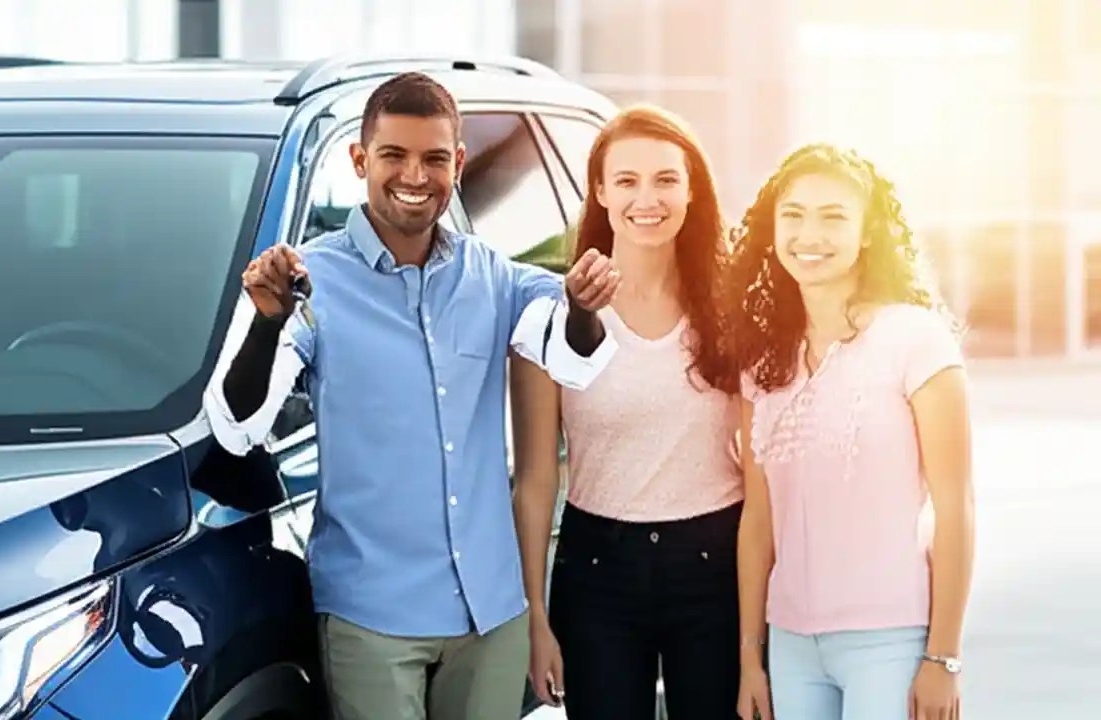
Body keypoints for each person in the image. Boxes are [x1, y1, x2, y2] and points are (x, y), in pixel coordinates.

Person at [202, 72, 621, 720]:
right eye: (394, 156)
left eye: (433, 158)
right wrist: (265, 323)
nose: (414, 176)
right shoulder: (311, 283)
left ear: (458, 162)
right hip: (372, 615)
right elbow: (238, 423)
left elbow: (570, 350)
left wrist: (585, 307)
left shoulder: (495, 277)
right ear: (360, 160)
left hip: (491, 611)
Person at [510, 104, 743, 719]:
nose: (648, 198)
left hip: (717, 564)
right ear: (601, 191)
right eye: (628, 180)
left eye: (667, 178)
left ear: (693, 190)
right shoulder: (549, 319)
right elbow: (535, 481)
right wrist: (535, 615)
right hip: (597, 571)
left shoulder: (732, 312)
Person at [729, 143, 976, 720]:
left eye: (833, 216)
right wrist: (750, 657)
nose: (808, 234)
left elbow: (955, 508)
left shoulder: (917, 340)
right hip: (791, 643)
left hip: (889, 639)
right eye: (793, 214)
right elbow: (758, 518)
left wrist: (944, 657)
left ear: (868, 232)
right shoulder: (763, 363)